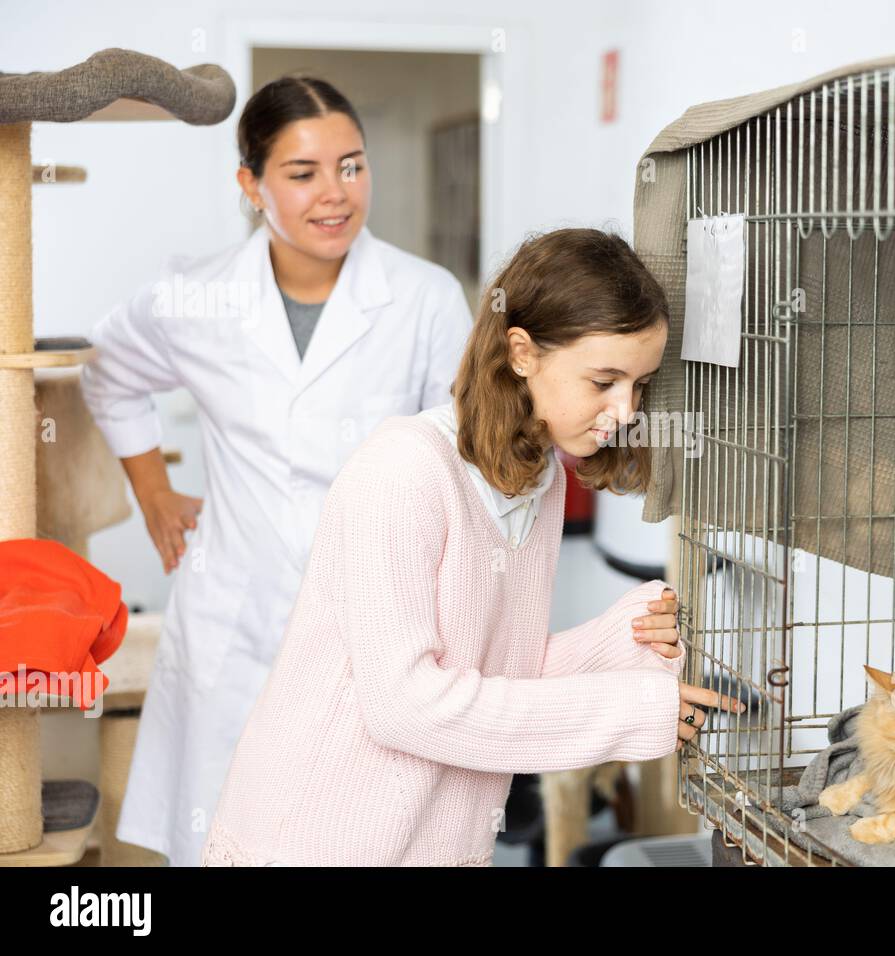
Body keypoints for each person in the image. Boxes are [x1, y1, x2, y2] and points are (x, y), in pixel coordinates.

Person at [199, 228, 744, 866]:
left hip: (434, 843)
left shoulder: (537, 480)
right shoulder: (403, 470)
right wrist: (622, 708)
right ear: (521, 352)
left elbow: (489, 667)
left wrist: (617, 638)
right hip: (313, 843)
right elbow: (406, 706)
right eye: (604, 381)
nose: (626, 409)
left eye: (640, 385)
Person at [80, 75, 474, 866]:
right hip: (236, 616)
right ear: (251, 184)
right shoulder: (193, 298)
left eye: (353, 166)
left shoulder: (425, 299)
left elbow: (459, 465)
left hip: (371, 620)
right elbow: (106, 373)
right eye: (303, 174)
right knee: (223, 832)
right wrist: (153, 494)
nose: (336, 195)